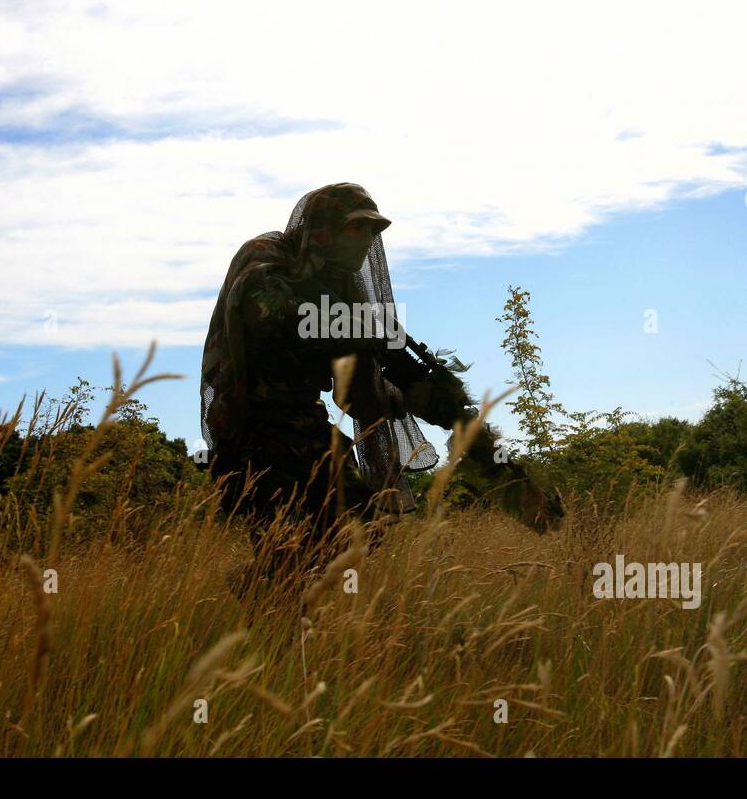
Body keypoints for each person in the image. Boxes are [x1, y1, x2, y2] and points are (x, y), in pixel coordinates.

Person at [199, 182, 557, 590]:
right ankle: (269, 597)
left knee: (361, 528)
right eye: (358, 229)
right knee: (318, 534)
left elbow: (359, 388)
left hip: (303, 423)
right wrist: (359, 330)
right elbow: (270, 310)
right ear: (323, 229)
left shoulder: (346, 296)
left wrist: (499, 466)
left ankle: (265, 593)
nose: (368, 240)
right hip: (248, 426)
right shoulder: (266, 256)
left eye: (374, 231)